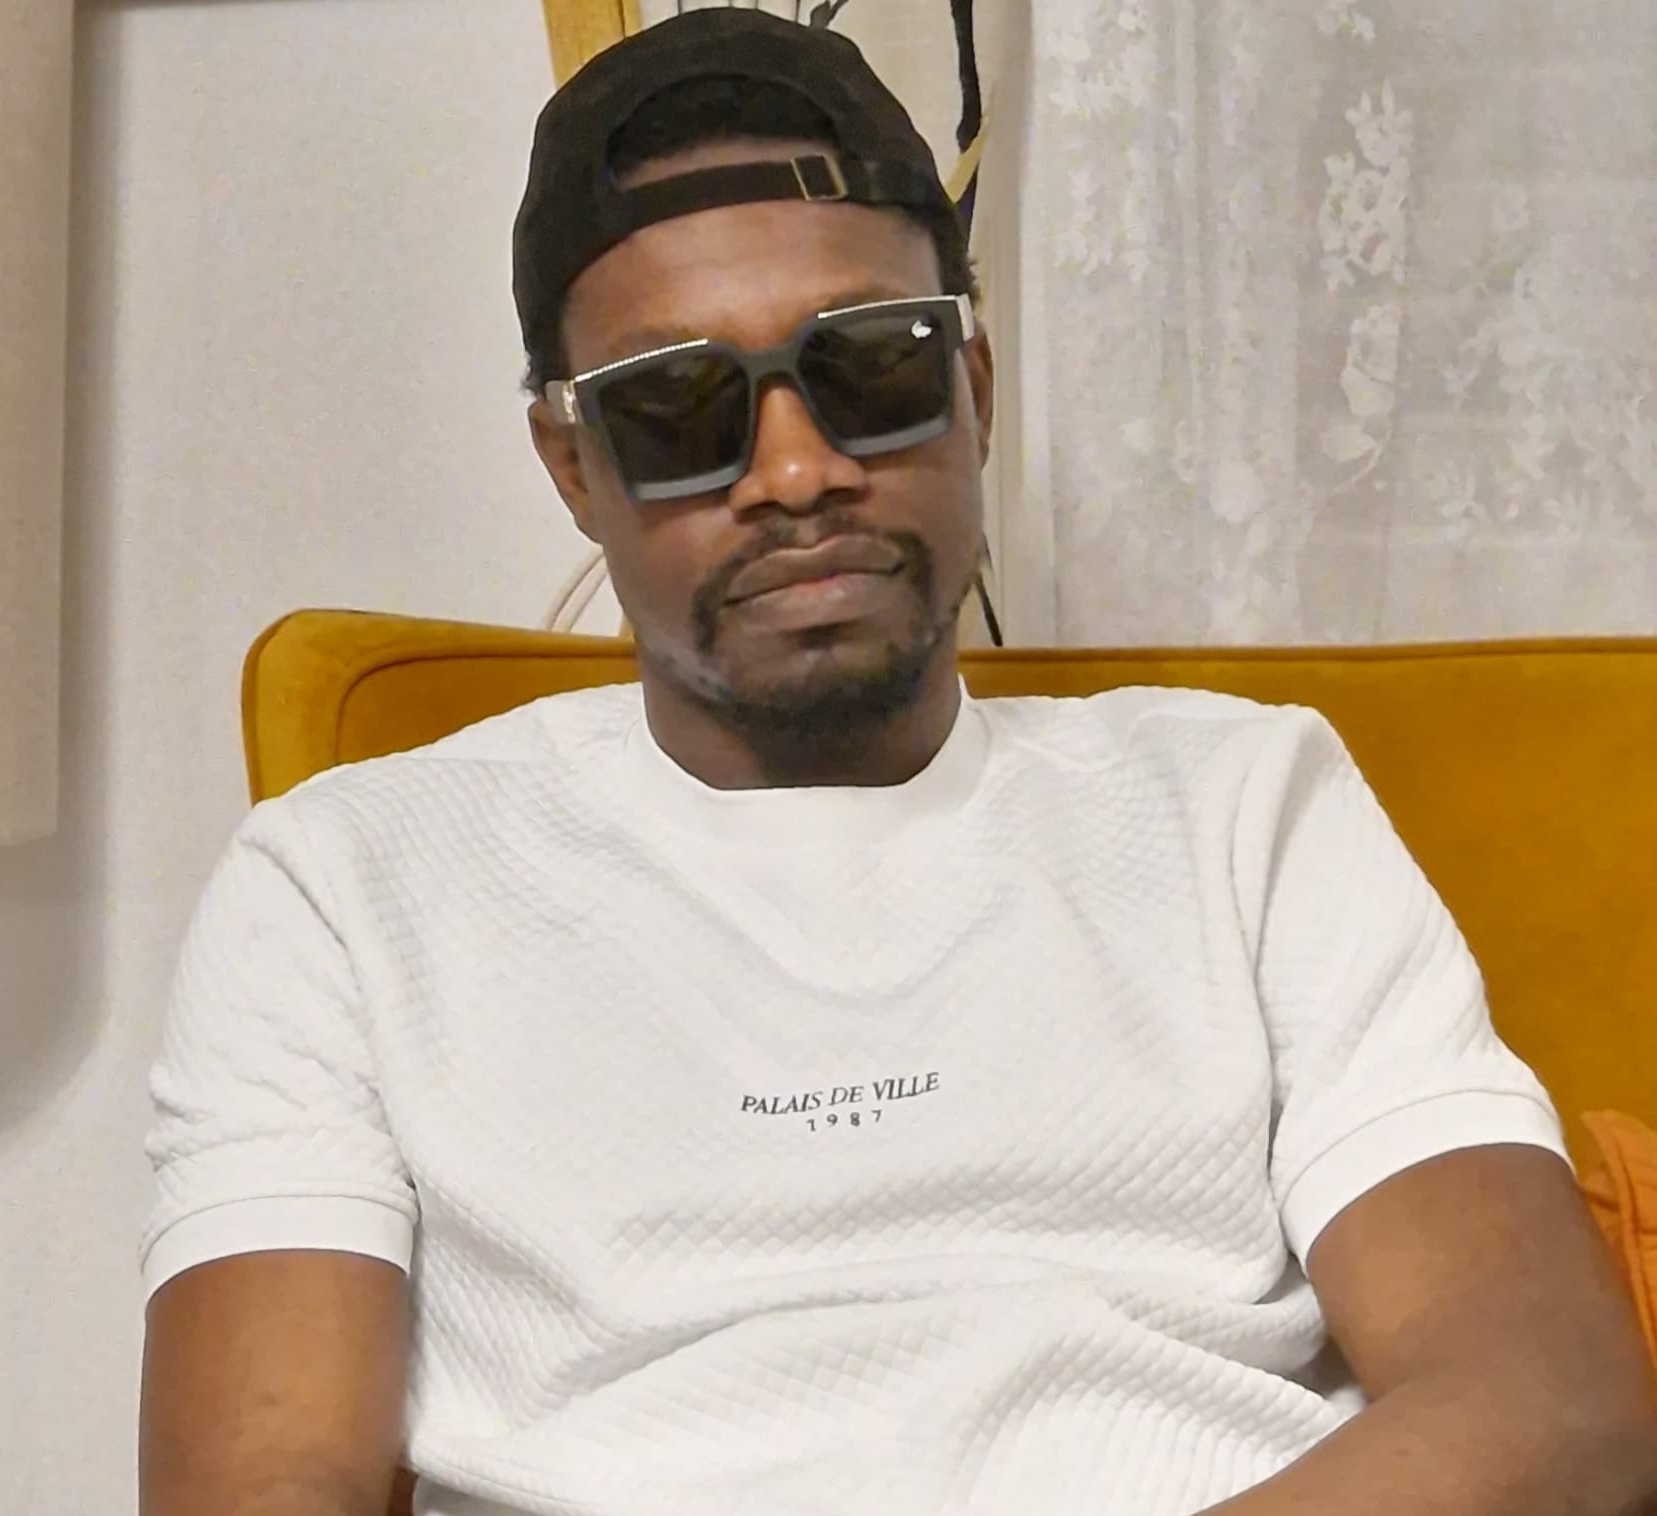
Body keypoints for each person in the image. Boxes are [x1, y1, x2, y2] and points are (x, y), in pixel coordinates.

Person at [137, 12, 1657, 1515]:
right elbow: (261, 1484)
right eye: (678, 406)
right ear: (574, 468)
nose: (798, 471)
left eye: (871, 366)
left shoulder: (1247, 810)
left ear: (973, 390)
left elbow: (1555, 1411)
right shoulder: (345, 889)